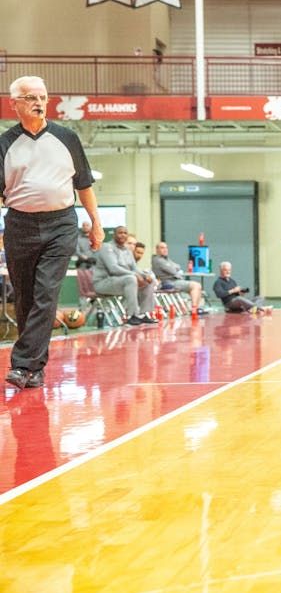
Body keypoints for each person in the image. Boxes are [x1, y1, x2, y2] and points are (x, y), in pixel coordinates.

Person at [1, 75, 103, 390]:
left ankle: (21, 365)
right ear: (14, 103)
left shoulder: (67, 138)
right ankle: (35, 367)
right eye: (30, 97)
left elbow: (83, 185)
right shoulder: (4, 143)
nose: (39, 102)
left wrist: (95, 223)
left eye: (43, 97)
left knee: (46, 292)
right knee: (27, 296)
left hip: (61, 223)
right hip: (19, 224)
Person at [93, 225, 158, 325]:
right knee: (131, 279)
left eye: (125, 233)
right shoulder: (107, 247)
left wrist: (144, 276)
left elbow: (134, 268)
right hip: (103, 282)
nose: (123, 235)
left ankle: (142, 314)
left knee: (150, 280)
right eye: (120, 232)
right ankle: (132, 315)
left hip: (121, 281)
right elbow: (113, 268)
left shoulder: (127, 250)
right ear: (114, 234)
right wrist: (135, 275)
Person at [151, 241, 206, 314]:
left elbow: (177, 266)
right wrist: (175, 270)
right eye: (162, 248)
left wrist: (174, 268)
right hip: (168, 283)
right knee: (195, 285)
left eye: (166, 248)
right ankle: (194, 309)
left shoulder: (166, 259)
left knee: (198, 286)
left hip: (175, 280)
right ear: (157, 249)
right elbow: (173, 270)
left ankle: (196, 308)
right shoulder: (157, 260)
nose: (165, 249)